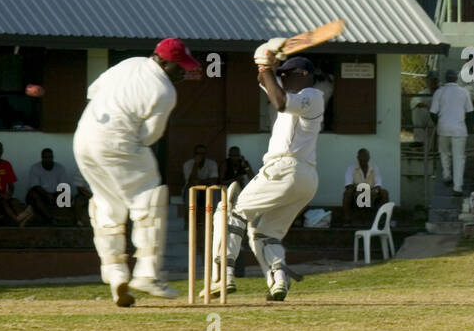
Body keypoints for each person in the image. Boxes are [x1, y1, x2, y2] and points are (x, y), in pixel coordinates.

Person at [74, 38, 200, 306]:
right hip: (119, 141)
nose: (183, 72)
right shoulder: (164, 91)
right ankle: (147, 273)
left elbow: (92, 92)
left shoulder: (129, 63)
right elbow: (149, 136)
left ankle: (116, 273)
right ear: (164, 61)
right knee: (149, 197)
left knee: (108, 205)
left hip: (83, 138)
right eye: (179, 67)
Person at [211, 46, 324, 301]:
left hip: (286, 169)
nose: (281, 79)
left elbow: (280, 101)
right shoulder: (292, 95)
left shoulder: (312, 95)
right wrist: (265, 62)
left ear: (303, 73)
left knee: (231, 212)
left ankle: (222, 275)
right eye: (280, 76)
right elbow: (266, 81)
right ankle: (278, 280)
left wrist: (267, 68)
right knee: (265, 233)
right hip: (303, 178)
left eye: (286, 75)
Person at [429, 69, 472, 194]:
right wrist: (466, 126)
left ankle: (446, 175)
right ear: (456, 78)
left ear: (446, 78)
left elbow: (432, 113)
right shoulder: (464, 92)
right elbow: (469, 112)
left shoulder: (439, 92)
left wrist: (438, 124)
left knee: (444, 153)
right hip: (459, 129)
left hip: (443, 127)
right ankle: (457, 188)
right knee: (459, 158)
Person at [0, 141, 32, 227]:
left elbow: (11, 184)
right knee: (3, 202)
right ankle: (18, 220)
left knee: (15, 201)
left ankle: (22, 218)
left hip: (3, 195)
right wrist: (0, 194)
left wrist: (9, 194)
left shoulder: (6, 164)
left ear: (2, 150)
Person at [24, 148, 76, 225]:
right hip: (41, 194)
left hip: (56, 194)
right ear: (42, 158)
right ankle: (50, 219)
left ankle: (69, 221)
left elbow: (63, 185)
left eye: (50, 157)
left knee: (68, 196)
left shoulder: (60, 168)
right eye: (46, 157)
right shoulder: (35, 168)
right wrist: (47, 195)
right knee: (33, 195)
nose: (48, 159)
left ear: (53, 157)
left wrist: (55, 195)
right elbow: (35, 186)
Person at [342, 148, 388, 223]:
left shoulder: (374, 168)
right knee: (347, 193)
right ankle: (347, 218)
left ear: (369, 158)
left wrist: (375, 190)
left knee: (384, 192)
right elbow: (348, 184)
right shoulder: (351, 168)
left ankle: (382, 218)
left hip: (372, 191)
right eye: (362, 157)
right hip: (356, 191)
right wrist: (360, 190)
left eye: (366, 157)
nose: (364, 159)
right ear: (358, 158)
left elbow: (378, 183)